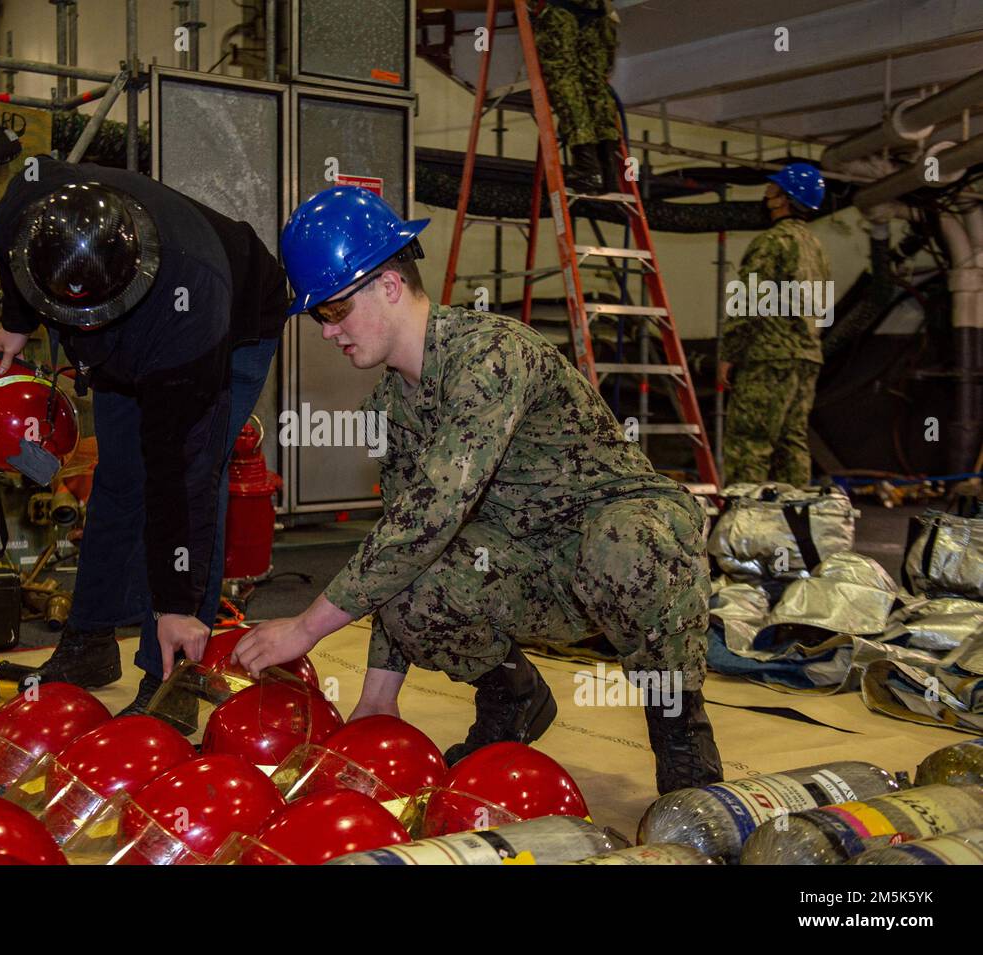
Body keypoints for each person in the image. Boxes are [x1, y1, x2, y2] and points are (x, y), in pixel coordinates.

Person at [234, 186, 722, 794]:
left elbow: (434, 513)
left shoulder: (492, 355)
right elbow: (401, 542)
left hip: (622, 548)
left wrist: (307, 627)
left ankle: (681, 736)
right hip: (532, 568)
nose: (328, 333)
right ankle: (512, 696)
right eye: (318, 317)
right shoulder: (391, 406)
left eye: (332, 310)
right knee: (412, 587)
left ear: (389, 285)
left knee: (625, 544)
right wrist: (377, 698)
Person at [0, 155, 289, 715]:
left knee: (187, 477)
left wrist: (174, 601)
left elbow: (184, 478)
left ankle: (173, 672)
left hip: (236, 320)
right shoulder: (23, 214)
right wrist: (18, 322)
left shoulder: (188, 312)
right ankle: (89, 643)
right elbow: (6, 249)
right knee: (121, 475)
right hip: (134, 325)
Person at [719, 162, 830, 488]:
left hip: (769, 358)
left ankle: (743, 525)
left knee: (749, 442)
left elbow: (750, 300)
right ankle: (795, 519)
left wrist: (730, 352)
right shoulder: (816, 247)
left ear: (783, 198)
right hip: (807, 359)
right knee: (791, 442)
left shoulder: (772, 242)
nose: (767, 194)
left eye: (773, 188)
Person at [533, 0, 622, 194]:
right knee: (595, 86)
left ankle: (587, 168)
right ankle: (608, 173)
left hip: (561, 11)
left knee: (564, 81)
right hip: (598, 13)